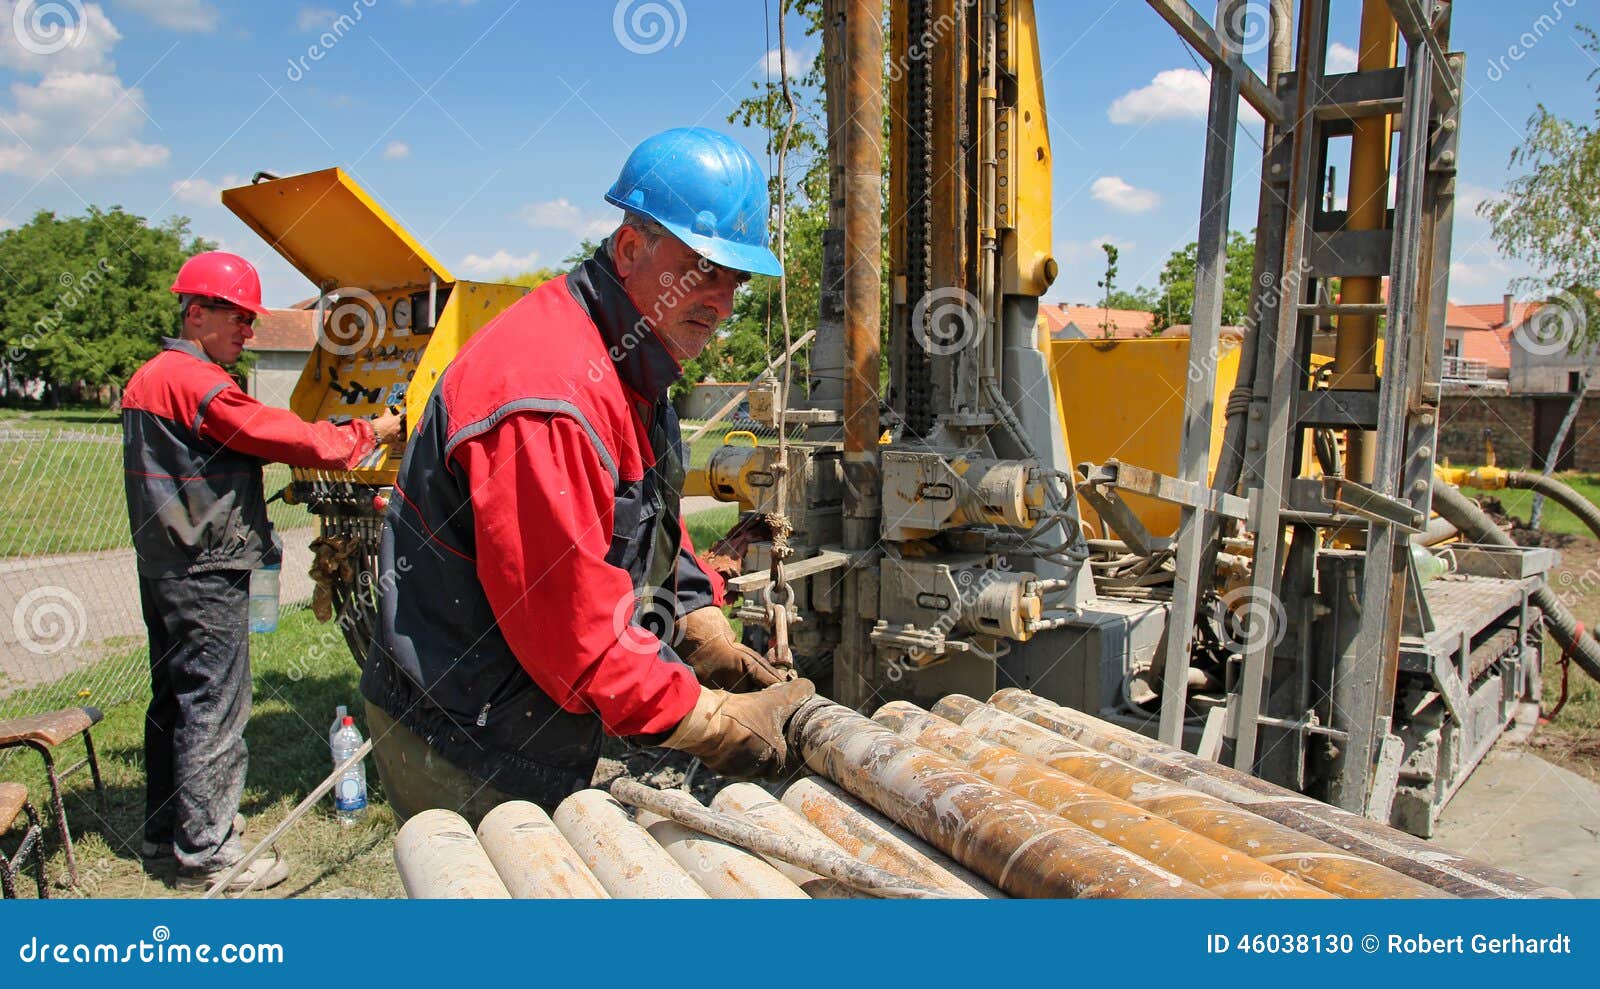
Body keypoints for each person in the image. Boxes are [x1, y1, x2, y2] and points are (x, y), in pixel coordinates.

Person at [361, 127, 816, 822]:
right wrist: (715, 721)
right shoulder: (549, 394)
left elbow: (649, 514)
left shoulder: (631, 358)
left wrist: (700, 624)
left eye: (735, 279)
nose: (720, 303)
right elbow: (578, 638)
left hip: (524, 711)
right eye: (701, 269)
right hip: (461, 738)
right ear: (631, 249)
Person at [121, 251, 403, 891]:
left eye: (250, 321)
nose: (247, 331)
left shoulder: (149, 377)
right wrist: (372, 430)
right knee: (215, 711)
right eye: (238, 319)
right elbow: (279, 435)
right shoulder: (196, 382)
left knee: (173, 703)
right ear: (196, 313)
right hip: (206, 568)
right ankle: (211, 856)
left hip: (164, 566)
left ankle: (166, 839)